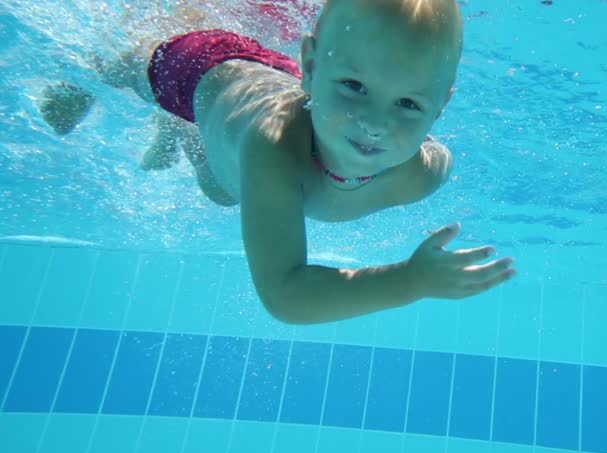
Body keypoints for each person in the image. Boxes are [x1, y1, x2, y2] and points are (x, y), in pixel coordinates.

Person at [49, 0, 517, 323]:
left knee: (220, 193)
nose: (374, 124)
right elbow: (285, 294)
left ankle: (188, 139)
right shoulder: (273, 150)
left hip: (258, 103)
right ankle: (89, 78)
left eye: (409, 105)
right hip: (199, 69)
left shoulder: (423, 173)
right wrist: (409, 282)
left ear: (440, 107)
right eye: (354, 87)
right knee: (128, 72)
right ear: (311, 68)